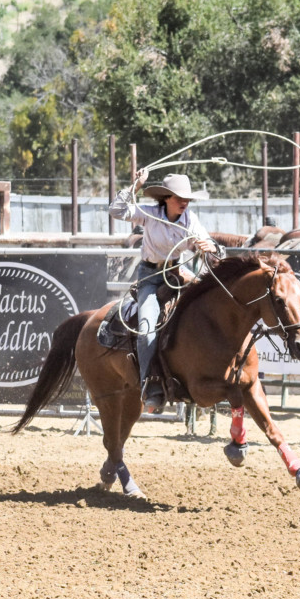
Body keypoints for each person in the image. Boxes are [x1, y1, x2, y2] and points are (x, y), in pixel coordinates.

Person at [110, 168, 217, 414]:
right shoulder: (149, 215)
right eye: (179, 198)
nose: (184, 202)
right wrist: (135, 185)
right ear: (166, 198)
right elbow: (116, 211)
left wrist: (208, 246)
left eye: (187, 198)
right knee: (147, 329)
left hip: (177, 274)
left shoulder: (190, 219)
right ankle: (150, 386)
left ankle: (200, 379)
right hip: (150, 277)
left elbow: (211, 248)